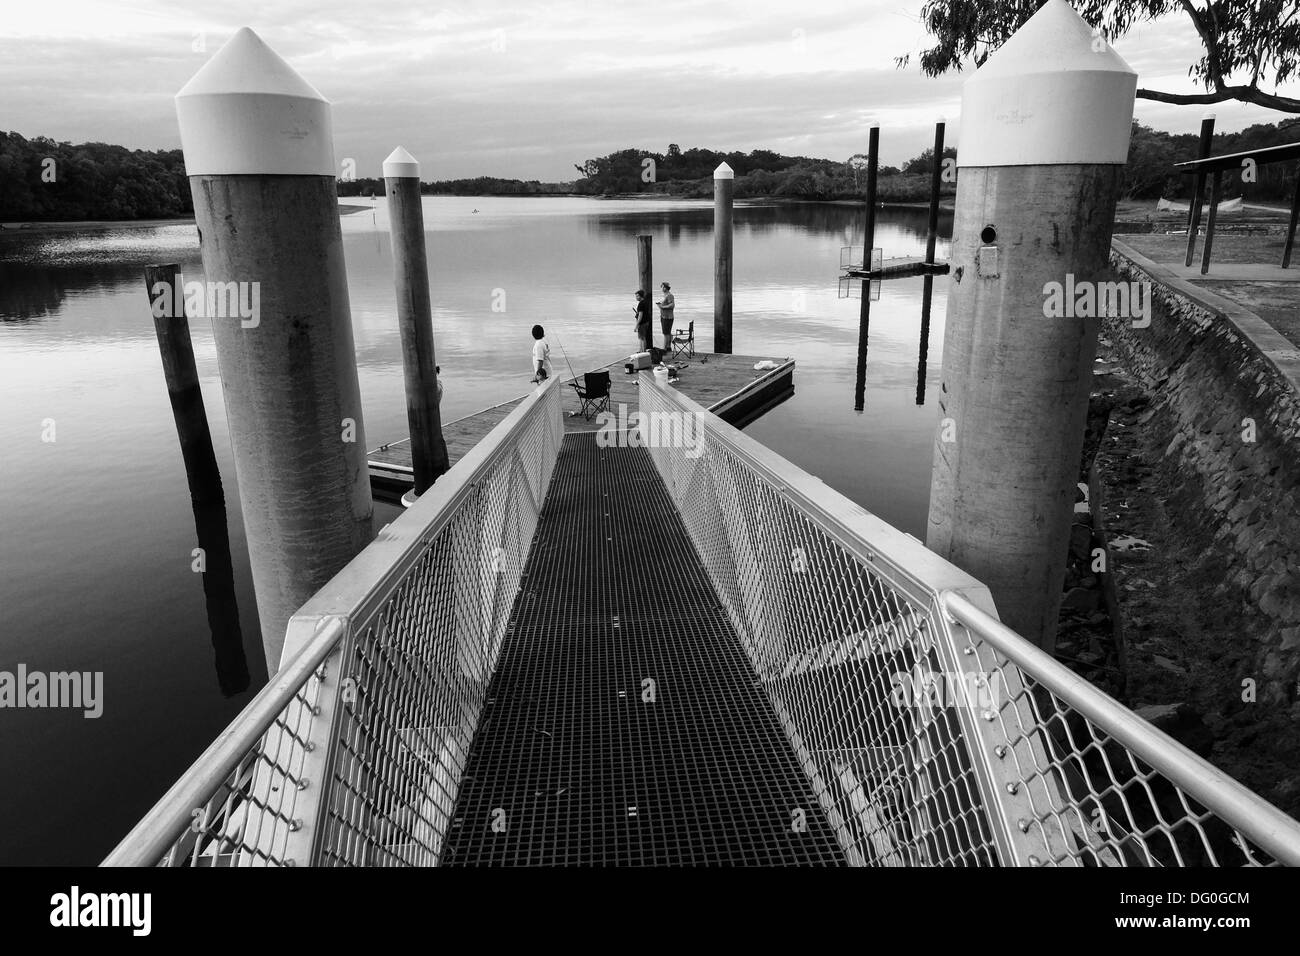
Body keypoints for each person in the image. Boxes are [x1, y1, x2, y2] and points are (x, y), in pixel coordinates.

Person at [657, 282, 675, 352]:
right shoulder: (665, 295)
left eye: (663, 287)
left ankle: (664, 348)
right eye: (661, 287)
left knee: (666, 333)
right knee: (668, 332)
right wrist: (660, 305)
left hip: (667, 317)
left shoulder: (669, 295)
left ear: (666, 288)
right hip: (664, 316)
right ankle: (668, 347)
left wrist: (663, 307)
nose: (662, 288)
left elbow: (672, 305)